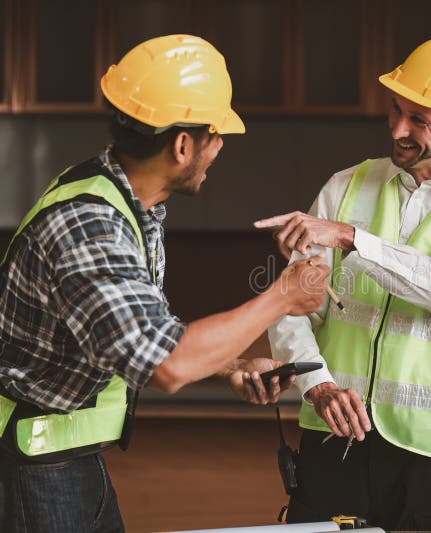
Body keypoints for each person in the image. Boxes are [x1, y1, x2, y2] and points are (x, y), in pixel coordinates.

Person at [0, 34, 329, 532]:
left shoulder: (126, 203)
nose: (219, 147)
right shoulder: (92, 226)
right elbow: (168, 364)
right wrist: (283, 295)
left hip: (66, 454)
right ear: (182, 145)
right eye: (215, 135)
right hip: (35, 463)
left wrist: (233, 366)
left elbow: (141, 333)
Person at [239, 36, 431, 530]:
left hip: (428, 449)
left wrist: (350, 237)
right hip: (331, 432)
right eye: (395, 110)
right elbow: (294, 305)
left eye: (418, 120)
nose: (397, 128)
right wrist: (317, 384)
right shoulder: (344, 185)